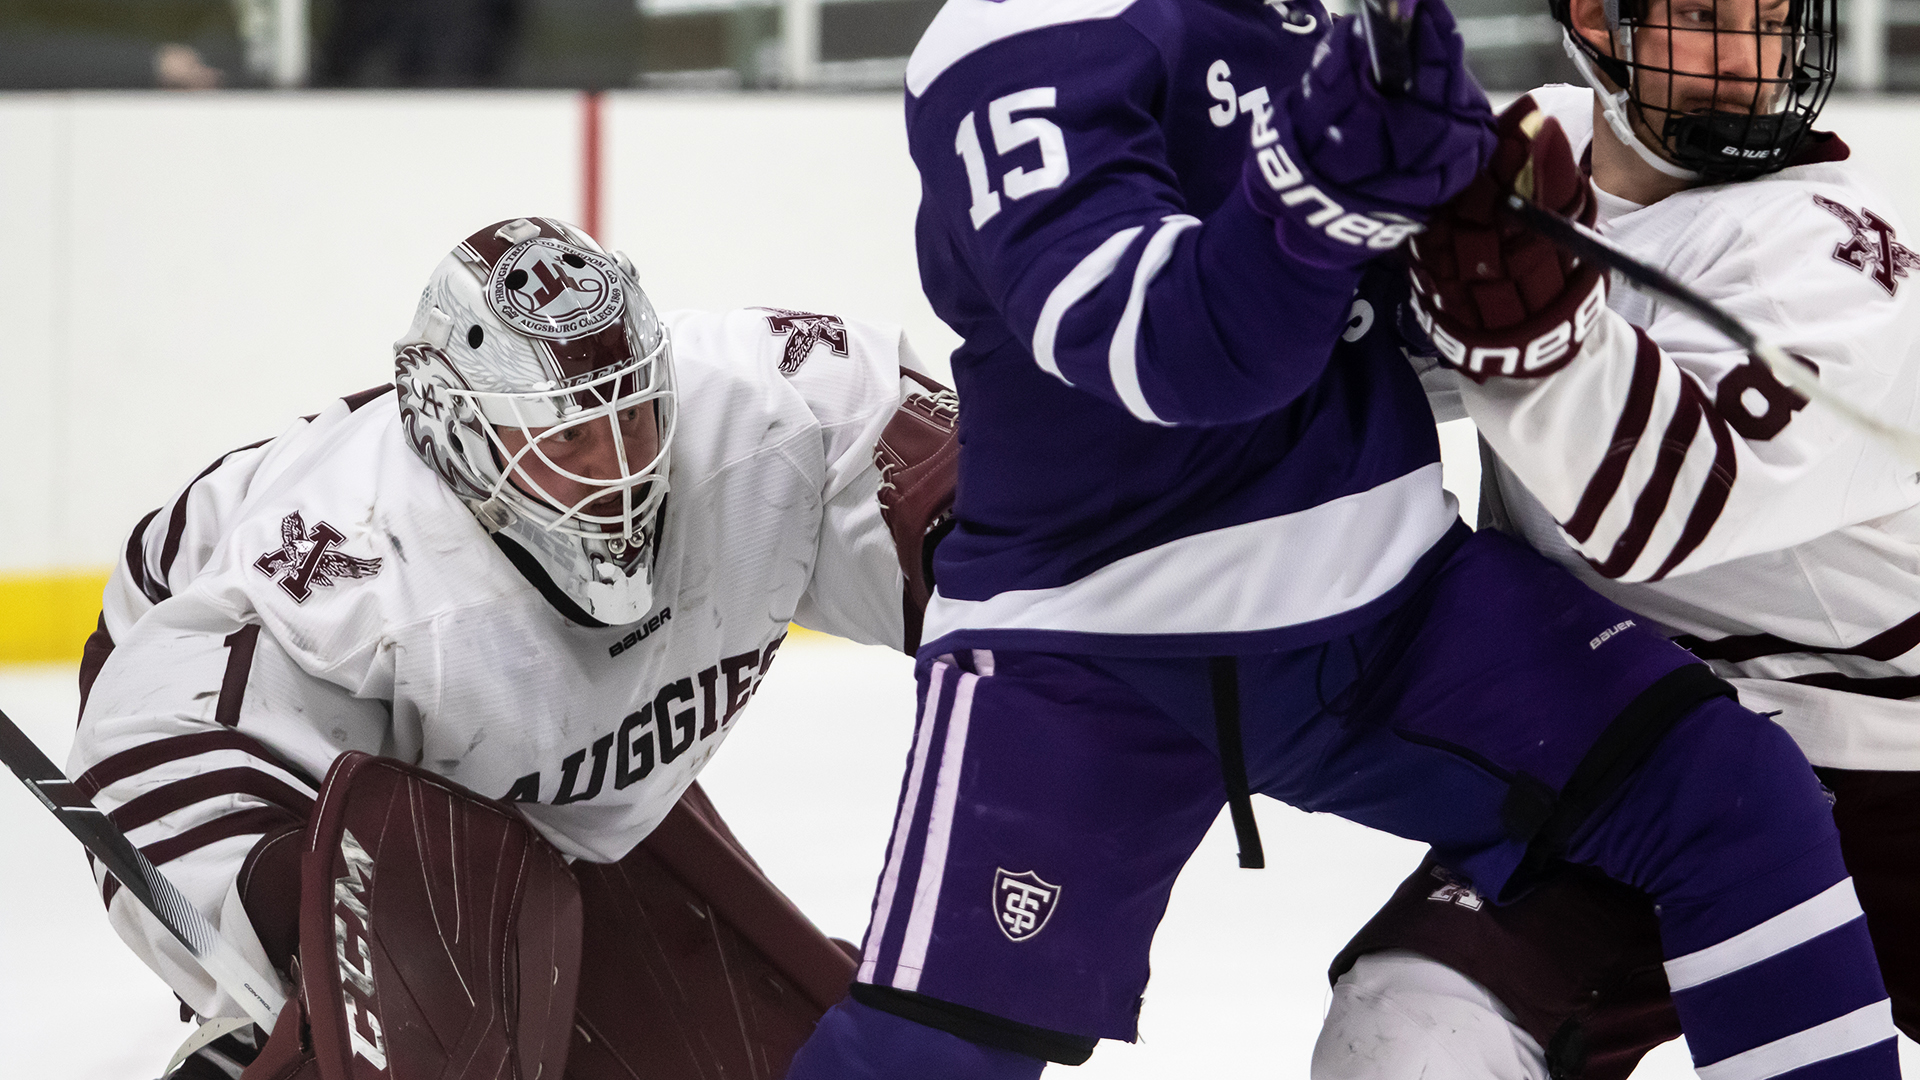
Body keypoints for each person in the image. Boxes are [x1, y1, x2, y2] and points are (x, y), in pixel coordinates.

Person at [777, 0, 1906, 1077]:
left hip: (1393, 596)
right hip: (1094, 634)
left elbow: (1389, 309)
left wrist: (1463, 241)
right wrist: (1338, 200)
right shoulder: (1016, 36)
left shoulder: (1329, 20)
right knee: (938, 1046)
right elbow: (1172, 352)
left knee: (1730, 796)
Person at [70, 216, 959, 1080]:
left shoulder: (764, 402)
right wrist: (294, 960)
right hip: (239, 688)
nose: (620, 472)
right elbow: (157, 753)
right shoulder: (347, 578)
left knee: (790, 1043)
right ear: (462, 432)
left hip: (564, 780)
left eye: (638, 417)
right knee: (402, 1030)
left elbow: (972, 489)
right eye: (571, 436)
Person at [1312, 0, 1920, 1075]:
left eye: (1772, 20)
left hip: (1897, 771)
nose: (1750, 62)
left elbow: (1656, 503)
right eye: (1702, 17)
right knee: (1410, 1033)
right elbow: (1330, 372)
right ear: (1595, 21)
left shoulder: (1836, 259)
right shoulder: (1531, 159)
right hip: (1646, 760)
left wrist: (1523, 329)